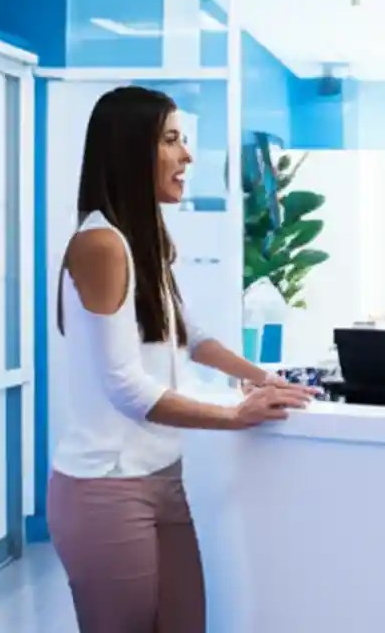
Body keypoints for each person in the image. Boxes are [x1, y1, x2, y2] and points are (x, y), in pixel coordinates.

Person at [48, 86, 315, 633]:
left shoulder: (142, 241)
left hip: (162, 476)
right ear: (131, 150)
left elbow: (189, 334)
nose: (187, 156)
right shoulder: (101, 245)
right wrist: (234, 416)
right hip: (107, 486)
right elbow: (126, 387)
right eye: (171, 140)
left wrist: (263, 377)